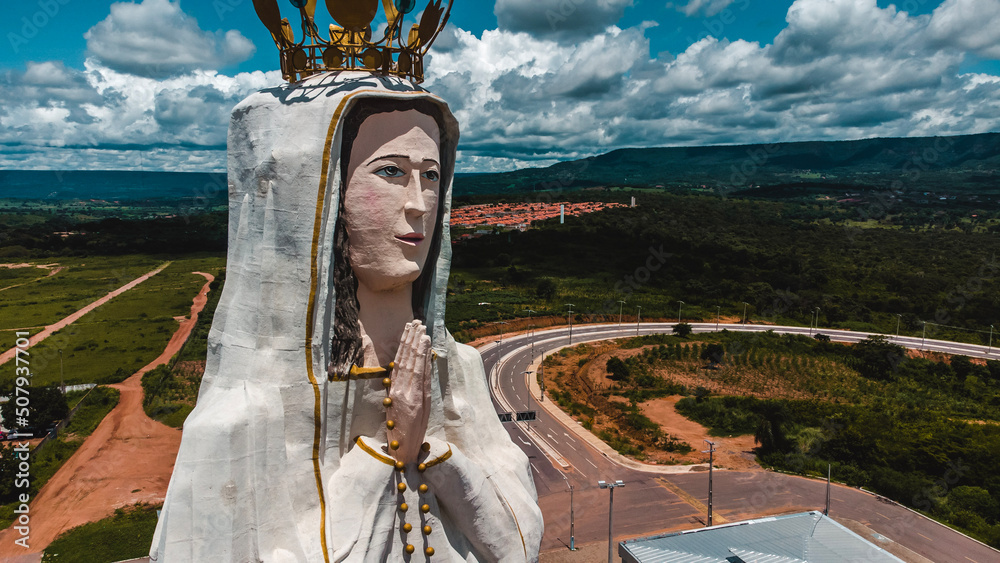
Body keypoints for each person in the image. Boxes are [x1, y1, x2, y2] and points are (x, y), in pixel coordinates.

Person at [150, 71, 542, 562]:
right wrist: (390, 451)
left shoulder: (457, 367)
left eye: (431, 176)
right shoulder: (242, 417)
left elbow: (517, 544)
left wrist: (434, 454)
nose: (419, 204)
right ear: (322, 194)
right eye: (391, 171)